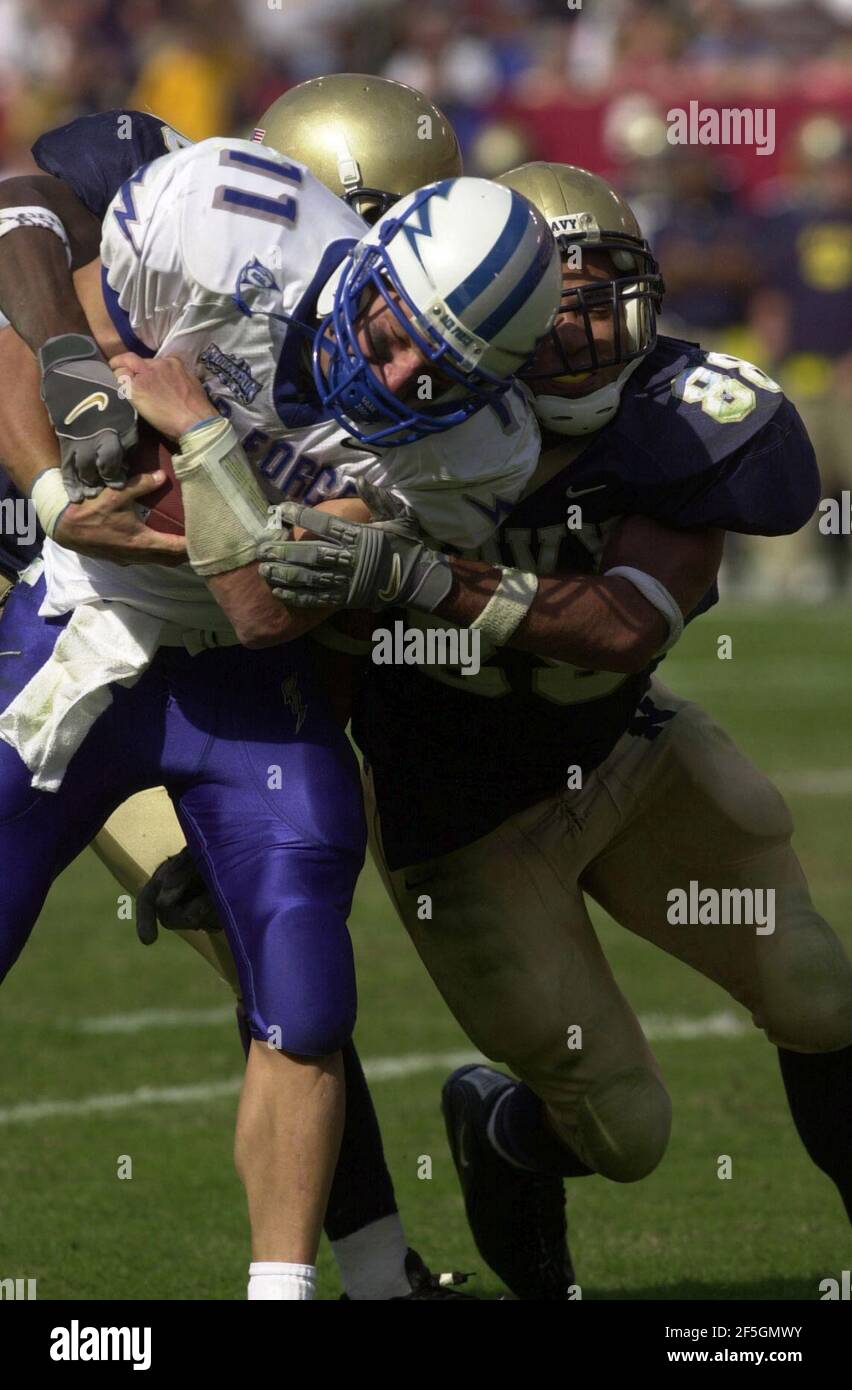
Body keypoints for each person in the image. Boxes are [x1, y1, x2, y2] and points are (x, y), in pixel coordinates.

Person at [259, 162, 852, 1300]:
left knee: (823, 995)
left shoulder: (681, 418)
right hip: (467, 827)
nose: (580, 322)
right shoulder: (392, 428)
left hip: (630, 754)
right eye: (553, 297)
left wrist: (434, 582)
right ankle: (498, 1132)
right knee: (626, 1131)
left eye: (600, 290)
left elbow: (627, 627)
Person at [0, 122, 560, 1299]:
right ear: (374, 253)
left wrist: (198, 432)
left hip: (244, 670)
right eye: (403, 335)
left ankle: (290, 1294)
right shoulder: (225, 224)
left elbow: (259, 599)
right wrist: (55, 478)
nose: (407, 381)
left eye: (445, 376)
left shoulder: (473, 452)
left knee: (303, 978)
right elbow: (22, 286)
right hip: (83, 618)